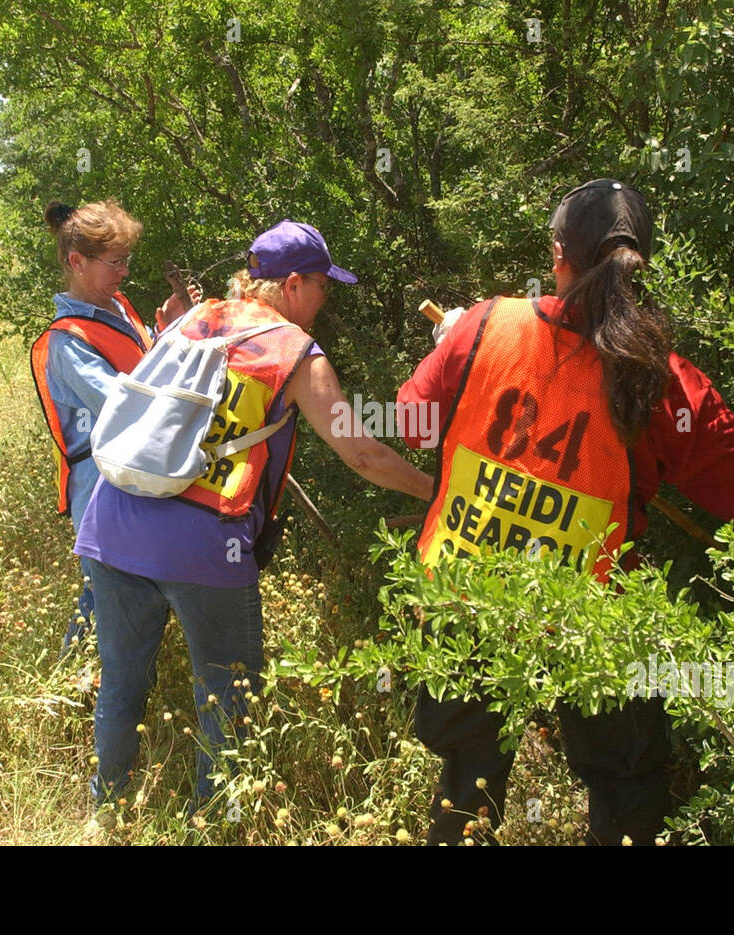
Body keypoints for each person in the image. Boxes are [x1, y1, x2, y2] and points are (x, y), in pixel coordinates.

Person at [396, 179, 734, 845]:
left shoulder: (483, 325)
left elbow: (413, 422)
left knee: (469, 772)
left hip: (467, 594)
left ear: (558, 256)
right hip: (587, 617)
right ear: (640, 260)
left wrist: (453, 348)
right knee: (626, 778)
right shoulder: (660, 375)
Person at [75, 219, 433, 809]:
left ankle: (103, 812)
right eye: (323, 285)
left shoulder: (190, 319)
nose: (325, 299)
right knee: (227, 690)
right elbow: (363, 453)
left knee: (121, 681)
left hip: (113, 519)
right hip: (204, 541)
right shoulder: (295, 353)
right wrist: (434, 490)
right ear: (293, 285)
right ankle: (211, 822)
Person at [30, 199, 195, 654]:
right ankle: (70, 686)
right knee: (103, 600)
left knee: (122, 597)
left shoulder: (117, 307)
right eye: (115, 262)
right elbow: (129, 406)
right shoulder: (68, 342)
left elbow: (142, 363)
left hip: (132, 479)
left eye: (127, 260)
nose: (124, 273)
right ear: (77, 262)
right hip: (102, 491)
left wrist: (169, 328)